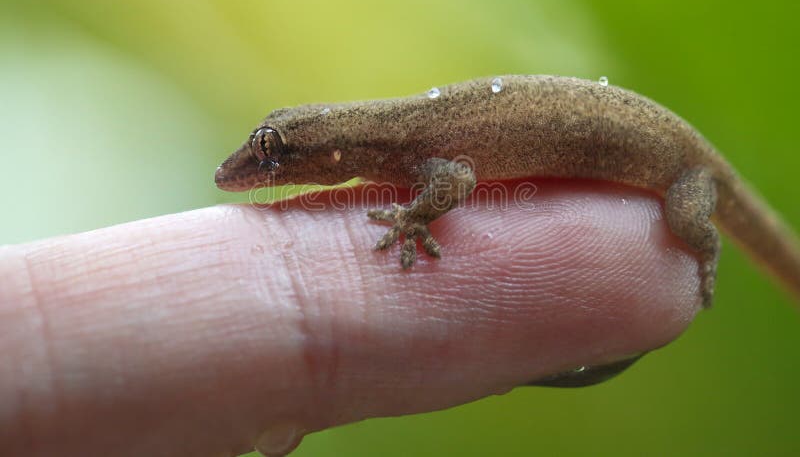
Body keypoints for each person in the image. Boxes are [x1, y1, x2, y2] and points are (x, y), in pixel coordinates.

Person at [0, 180, 701, 456]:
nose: (244, 174)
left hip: (675, 172)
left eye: (273, 160)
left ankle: (711, 250)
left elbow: (453, 181)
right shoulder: (394, 152)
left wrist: (414, 216)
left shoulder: (415, 159)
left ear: (330, 158)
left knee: (686, 225)